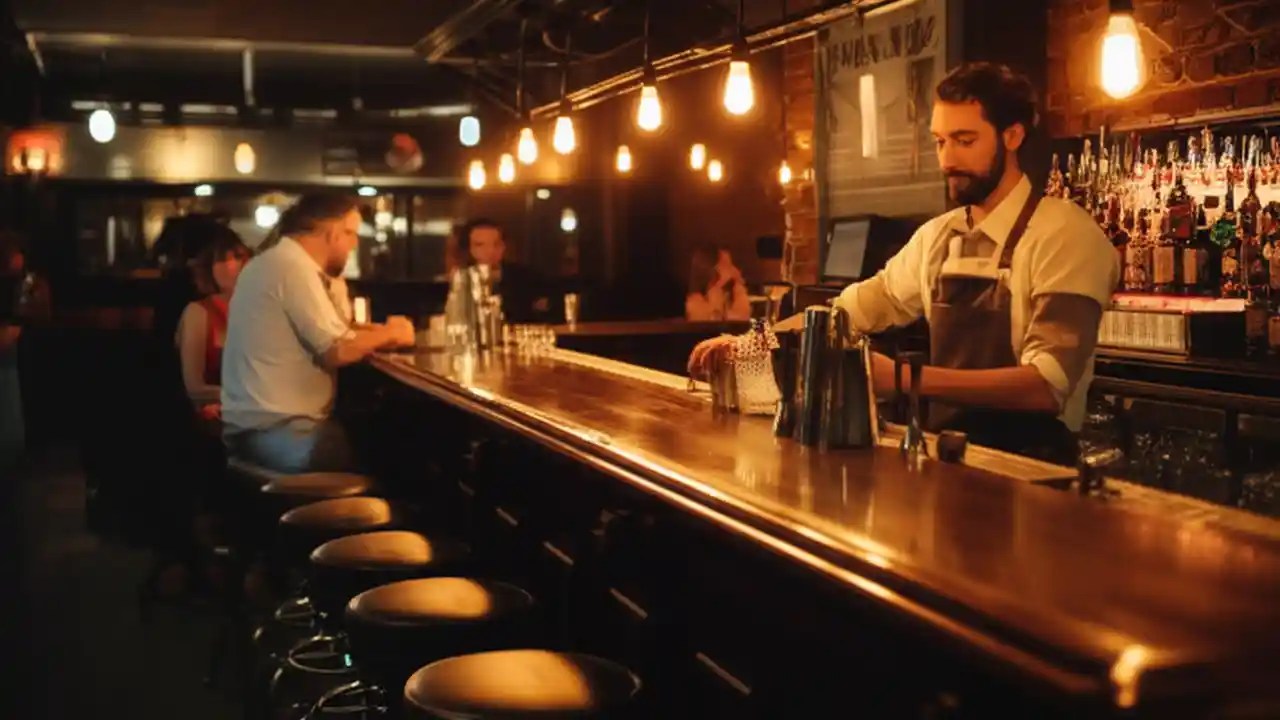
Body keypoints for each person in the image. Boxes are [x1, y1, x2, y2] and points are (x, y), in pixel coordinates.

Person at [690, 62, 1118, 465]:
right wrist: (754, 344)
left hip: (1034, 470)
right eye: (940, 141)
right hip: (953, 461)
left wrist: (900, 377)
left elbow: (1046, 385)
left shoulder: (1065, 234)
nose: (947, 158)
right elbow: (850, 312)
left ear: (1013, 136)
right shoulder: (937, 238)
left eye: (965, 141)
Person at [221, 194, 414, 473]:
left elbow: (341, 331)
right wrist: (393, 333)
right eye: (350, 233)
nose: (354, 243)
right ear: (332, 233)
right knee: (401, 449)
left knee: (386, 437)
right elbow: (336, 349)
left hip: (257, 430)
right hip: (275, 433)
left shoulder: (279, 262)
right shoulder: (291, 267)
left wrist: (375, 328)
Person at [174, 222, 251, 417]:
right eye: (221, 259)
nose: (232, 265)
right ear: (209, 267)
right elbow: (194, 387)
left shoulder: (261, 311)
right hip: (215, 418)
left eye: (238, 257)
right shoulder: (198, 313)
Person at [463, 218, 551, 323]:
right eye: (480, 245)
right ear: (470, 249)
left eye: (496, 244)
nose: (490, 251)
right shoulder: (461, 281)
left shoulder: (525, 278)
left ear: (503, 246)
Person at [685, 244, 751, 321]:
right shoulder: (694, 303)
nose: (734, 269)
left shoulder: (734, 291)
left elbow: (743, 318)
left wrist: (738, 285)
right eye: (726, 264)